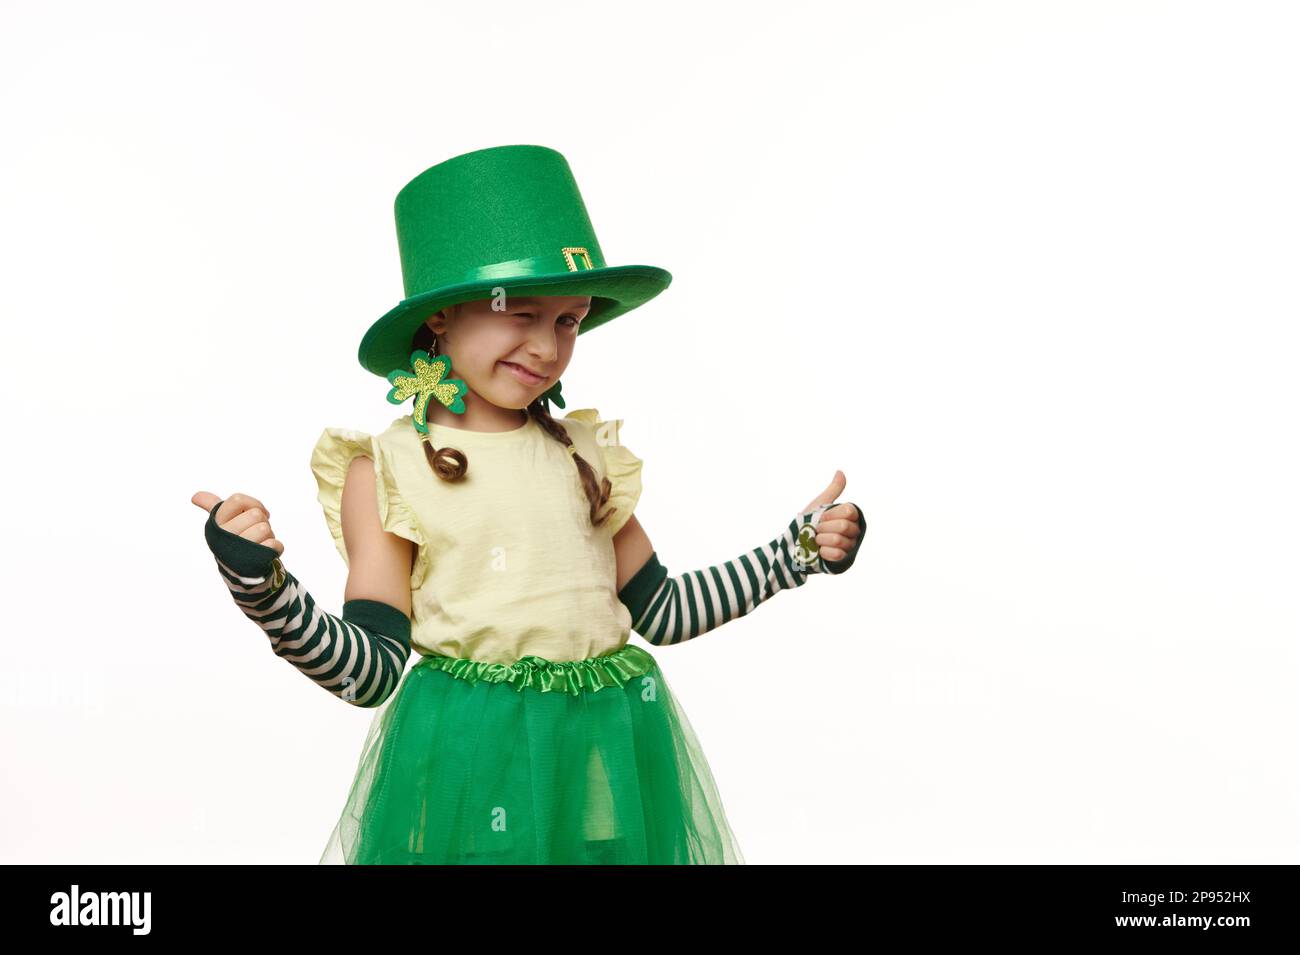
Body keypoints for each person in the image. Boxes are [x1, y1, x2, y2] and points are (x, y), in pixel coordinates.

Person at [191, 144, 865, 864]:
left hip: (603, 763)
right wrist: (264, 589)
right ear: (442, 316)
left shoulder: (582, 454)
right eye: (522, 312)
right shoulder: (386, 468)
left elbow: (662, 609)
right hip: (467, 773)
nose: (548, 346)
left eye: (569, 320)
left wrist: (791, 554)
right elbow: (370, 668)